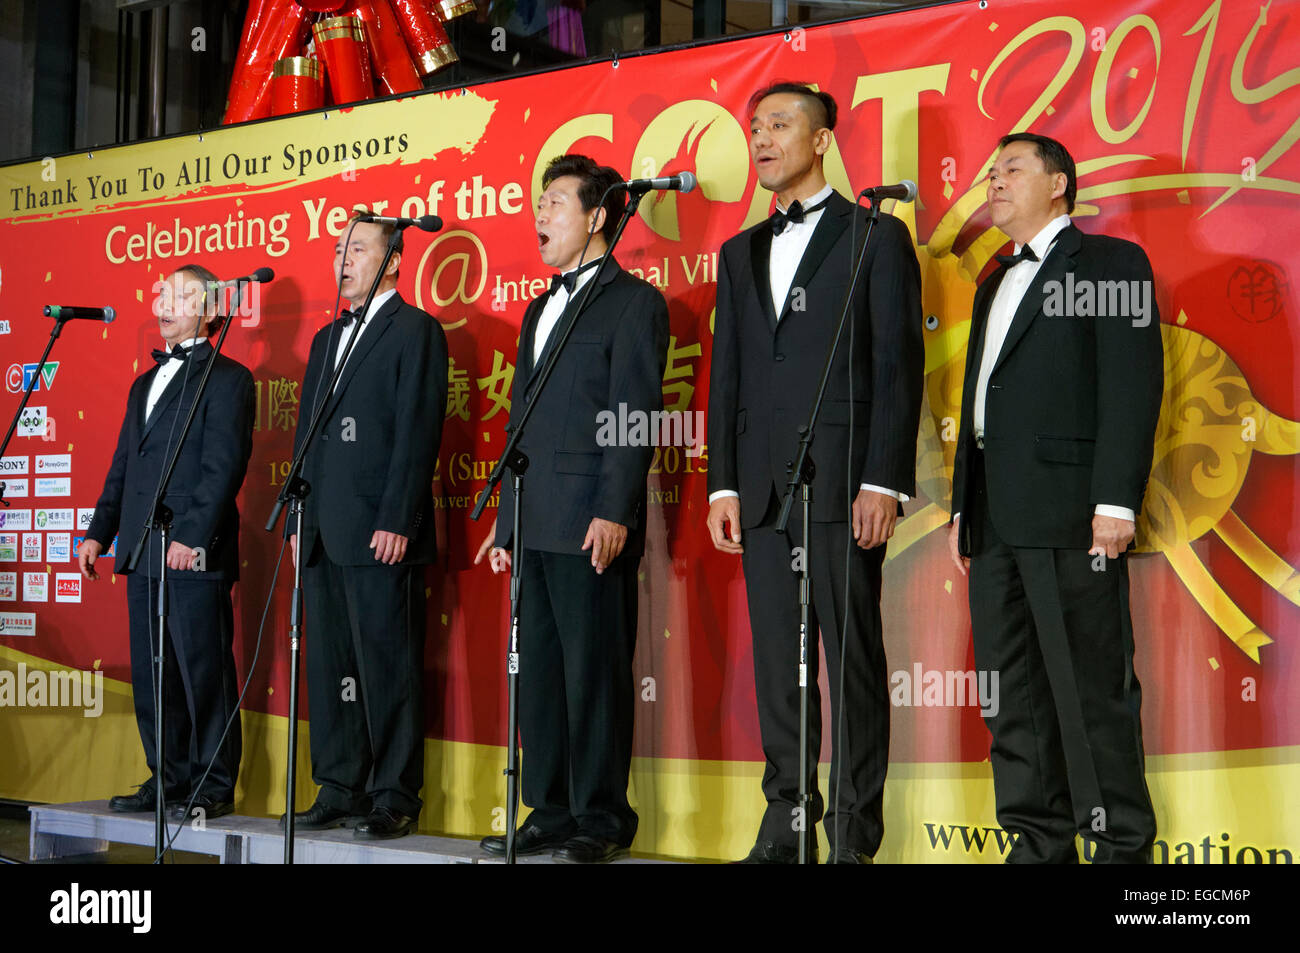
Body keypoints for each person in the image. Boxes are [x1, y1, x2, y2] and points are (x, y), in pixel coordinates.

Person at [706, 83, 923, 863]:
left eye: (780, 124)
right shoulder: (739, 253)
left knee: (852, 660)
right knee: (779, 668)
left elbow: (898, 368)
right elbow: (727, 376)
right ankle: (787, 820)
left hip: (843, 484)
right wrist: (724, 484)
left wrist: (884, 481)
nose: (762, 138)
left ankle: (854, 839)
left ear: (823, 138)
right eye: (755, 126)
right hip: (765, 489)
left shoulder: (875, 235)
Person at [948, 133, 1163, 863]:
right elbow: (984, 399)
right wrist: (961, 506)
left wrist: (1117, 500)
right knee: (1012, 695)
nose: (994, 180)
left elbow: (1131, 387)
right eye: (990, 170)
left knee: (1090, 691)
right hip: (995, 516)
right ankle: (1038, 842)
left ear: (1060, 183)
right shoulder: (990, 280)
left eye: (1012, 168)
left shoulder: (1110, 263)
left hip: (1074, 512)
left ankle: (1121, 847)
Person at [474, 154, 669, 863]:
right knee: (544, 675)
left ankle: (601, 815)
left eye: (555, 202)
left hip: (593, 519)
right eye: (538, 202)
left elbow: (634, 413)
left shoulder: (634, 302)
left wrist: (615, 508)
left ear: (596, 216)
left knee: (594, 673)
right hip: (536, 520)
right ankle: (550, 807)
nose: (540, 215)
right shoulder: (538, 306)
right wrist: (506, 521)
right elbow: (520, 419)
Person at [285, 210, 448, 840]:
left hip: (383, 530)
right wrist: (299, 516)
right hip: (323, 529)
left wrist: (399, 517)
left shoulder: (417, 331)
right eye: (337, 250)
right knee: (332, 665)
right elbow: (308, 438)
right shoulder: (327, 339)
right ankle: (339, 784)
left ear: (395, 260)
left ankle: (393, 794)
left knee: (387, 665)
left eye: (357, 248)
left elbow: (418, 430)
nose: (342, 259)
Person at [79, 264, 254, 821]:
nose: (165, 303)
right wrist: (98, 531)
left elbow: (223, 466)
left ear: (208, 309)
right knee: (155, 671)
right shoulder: (141, 384)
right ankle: (168, 776)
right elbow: (124, 465)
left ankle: (213, 782)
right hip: (142, 549)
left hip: (192, 551)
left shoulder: (228, 378)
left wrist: (193, 536)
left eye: (181, 295)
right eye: (162, 293)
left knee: (202, 667)